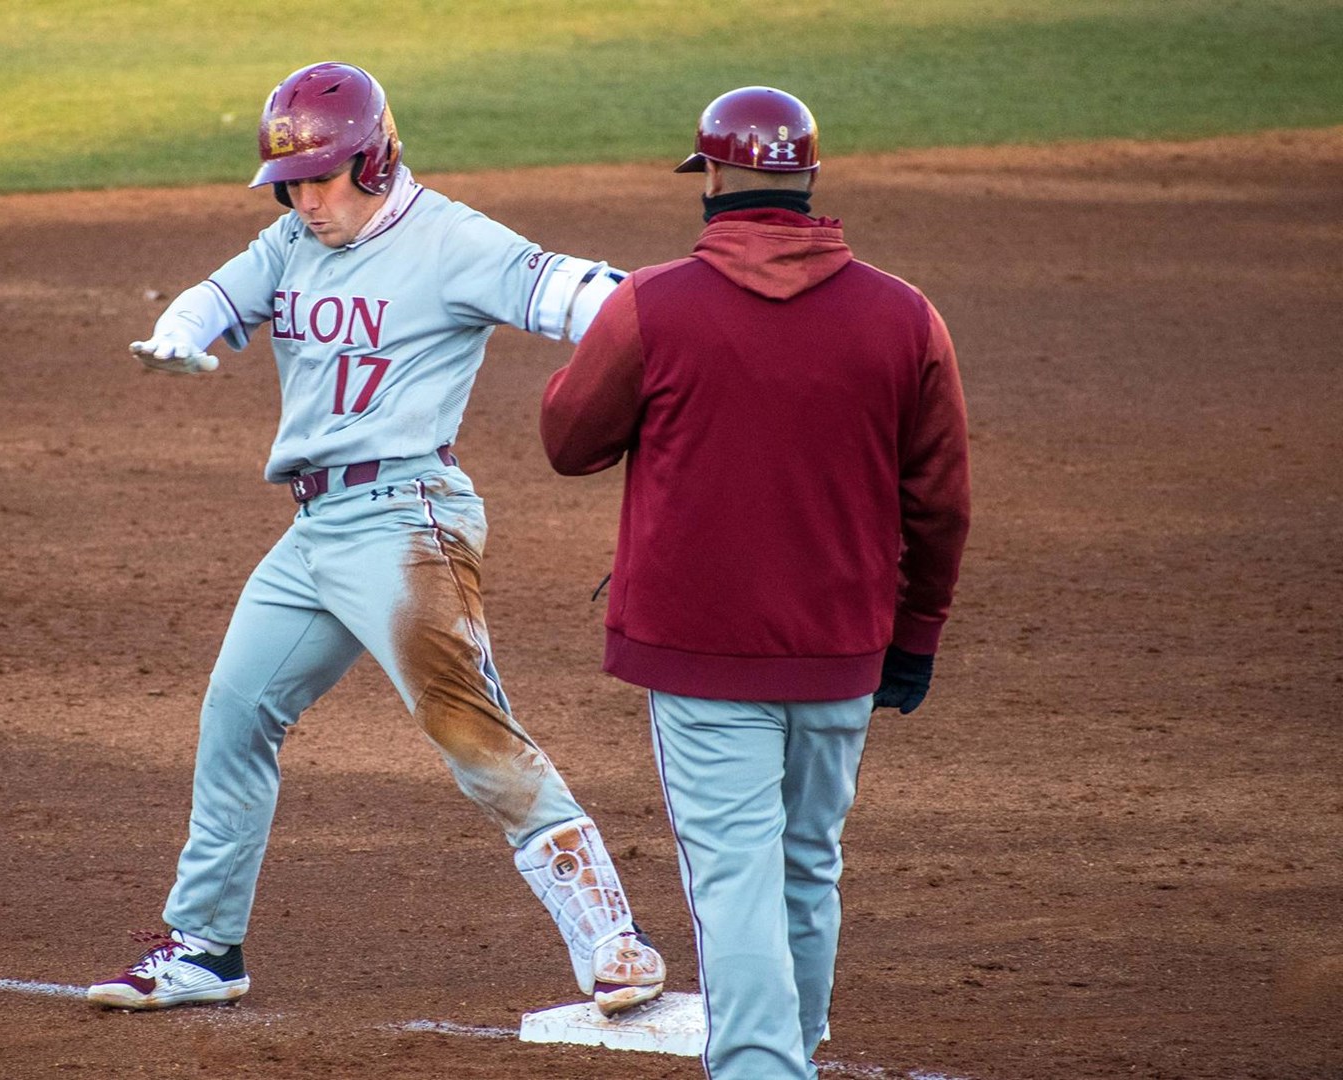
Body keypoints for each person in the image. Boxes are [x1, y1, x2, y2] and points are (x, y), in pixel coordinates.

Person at [86, 61, 665, 1016]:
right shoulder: (291, 240)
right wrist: (180, 331)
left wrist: (694, 320)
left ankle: (616, 941)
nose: (305, 202)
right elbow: (217, 297)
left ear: (375, 161)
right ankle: (206, 948)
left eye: (320, 179)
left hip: (405, 518)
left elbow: (592, 298)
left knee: (467, 725)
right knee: (237, 713)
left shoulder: (453, 241)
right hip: (315, 531)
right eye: (289, 184)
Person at [538, 86, 971, 1078]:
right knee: (806, 862)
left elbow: (569, 441)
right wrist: (917, 636)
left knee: (735, 875)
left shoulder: (652, 305)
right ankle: (794, 1048)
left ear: (716, 179)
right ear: (808, 178)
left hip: (700, 654)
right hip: (843, 650)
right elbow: (941, 501)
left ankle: (763, 1070)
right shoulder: (905, 317)